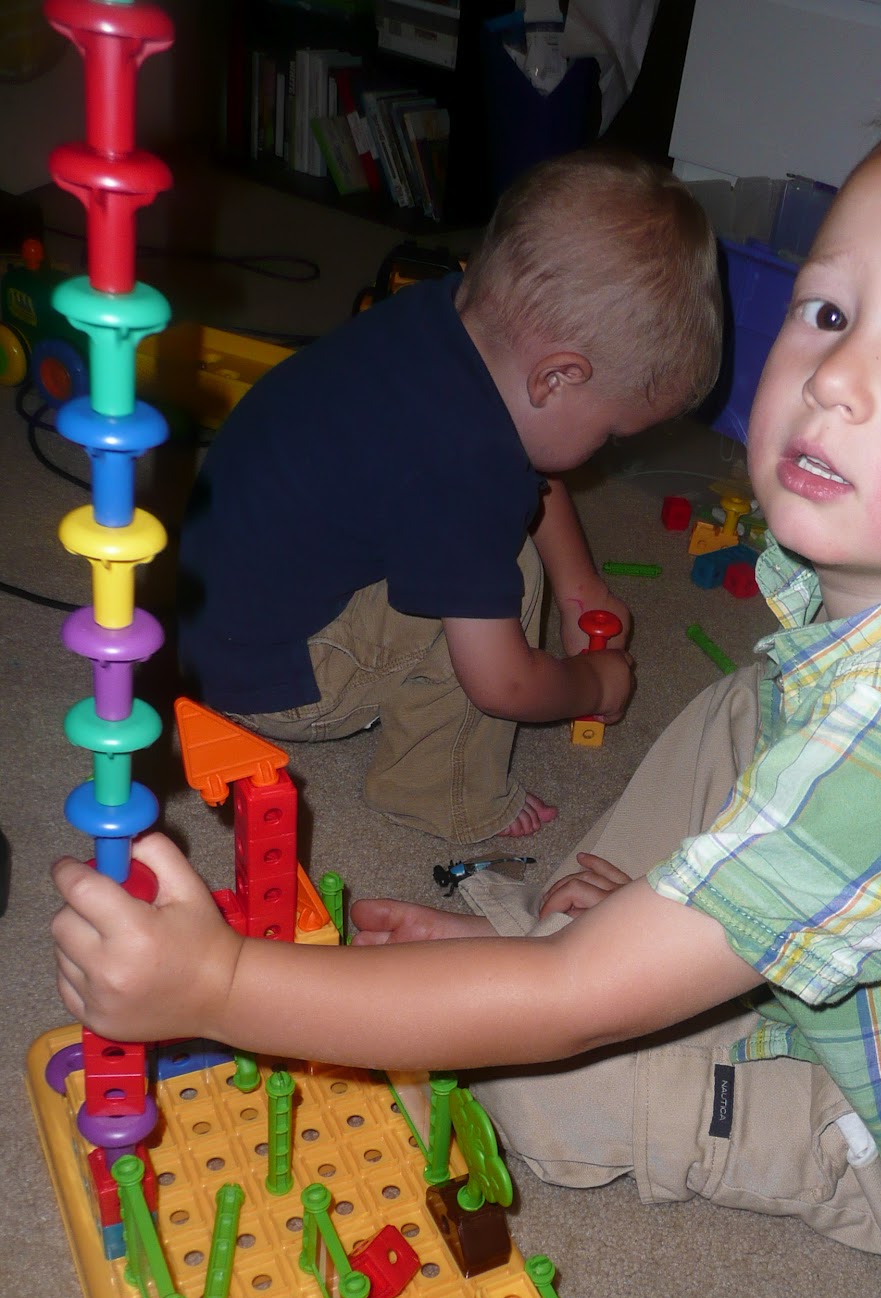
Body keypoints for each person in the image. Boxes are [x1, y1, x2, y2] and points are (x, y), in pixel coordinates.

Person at [54, 69, 881, 1260]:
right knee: (746, 703)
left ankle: (610, 947)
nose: (841, 378)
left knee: (525, 1083)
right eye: (829, 312)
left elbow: (558, 1017)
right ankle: (623, 923)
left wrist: (225, 987)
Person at [175, 148, 722, 842]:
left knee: (491, 538)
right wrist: (594, 684)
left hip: (212, 610)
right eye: (612, 431)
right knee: (507, 574)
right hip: (270, 679)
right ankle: (444, 792)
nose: (606, 449)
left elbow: (531, 454)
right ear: (556, 377)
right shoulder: (464, 465)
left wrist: (578, 581)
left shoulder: (444, 320)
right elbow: (504, 685)